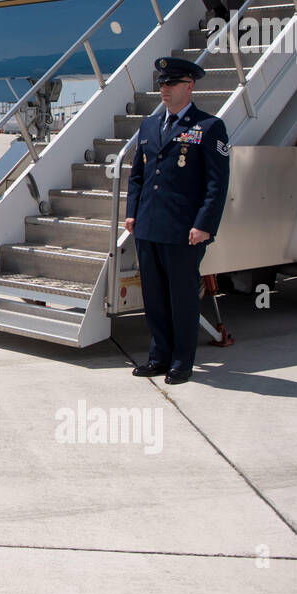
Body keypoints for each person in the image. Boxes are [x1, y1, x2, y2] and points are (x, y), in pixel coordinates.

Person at [125, 58, 230, 385]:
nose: (165, 90)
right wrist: (132, 213)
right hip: (147, 226)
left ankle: (182, 362)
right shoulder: (149, 126)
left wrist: (204, 225)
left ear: (190, 86)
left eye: (171, 84)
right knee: (154, 297)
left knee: (182, 298)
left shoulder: (209, 127)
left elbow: (217, 184)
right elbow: (137, 176)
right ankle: (159, 357)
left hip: (185, 231)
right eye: (161, 84)